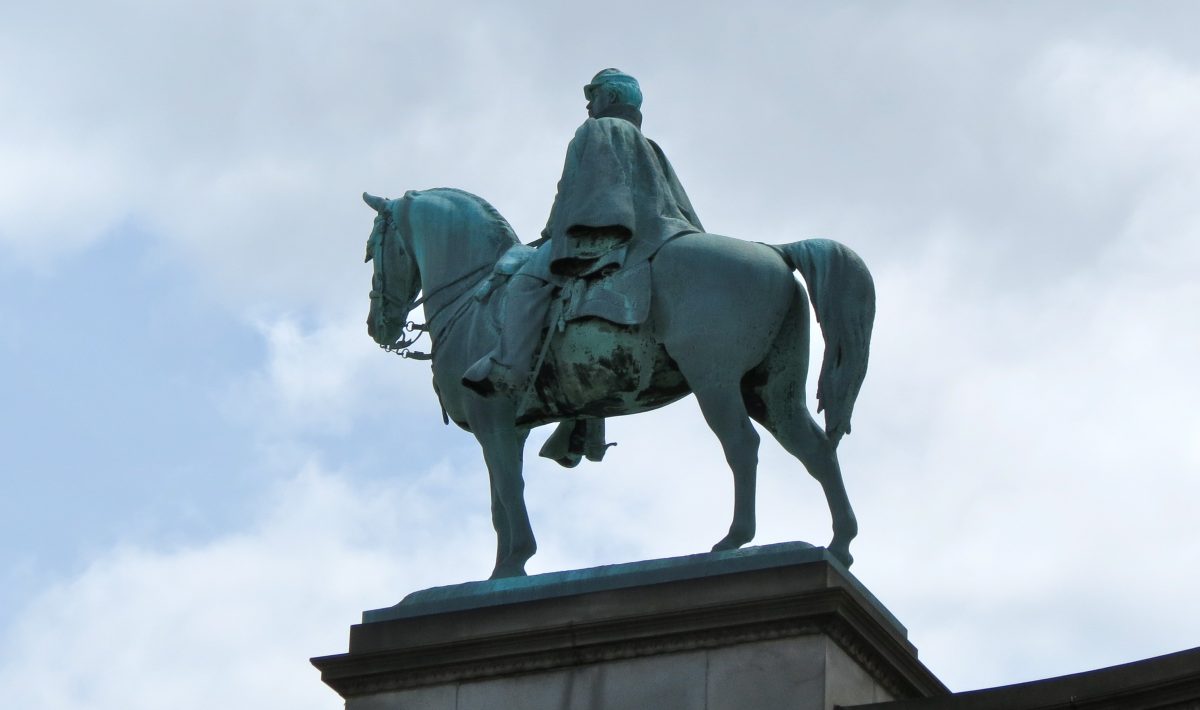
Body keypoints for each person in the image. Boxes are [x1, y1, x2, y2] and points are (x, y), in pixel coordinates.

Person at [462, 69, 704, 462]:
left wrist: (551, 235)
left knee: (525, 280)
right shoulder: (649, 144)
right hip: (658, 235)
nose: (588, 105)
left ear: (608, 98)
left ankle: (507, 367)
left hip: (604, 233)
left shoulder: (594, 131)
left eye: (593, 97)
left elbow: (573, 191)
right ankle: (582, 425)